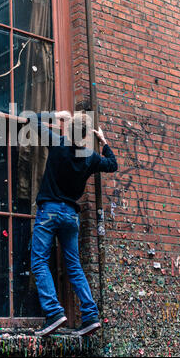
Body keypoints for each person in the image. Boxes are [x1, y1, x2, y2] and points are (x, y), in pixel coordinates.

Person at [30, 110, 118, 336]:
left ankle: (54, 313)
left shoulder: (57, 144)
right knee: (74, 267)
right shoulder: (90, 157)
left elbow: (32, 119)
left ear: (68, 130)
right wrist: (103, 140)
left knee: (40, 261)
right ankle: (90, 316)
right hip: (70, 215)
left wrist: (56, 114)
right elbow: (112, 164)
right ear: (86, 135)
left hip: (49, 210)